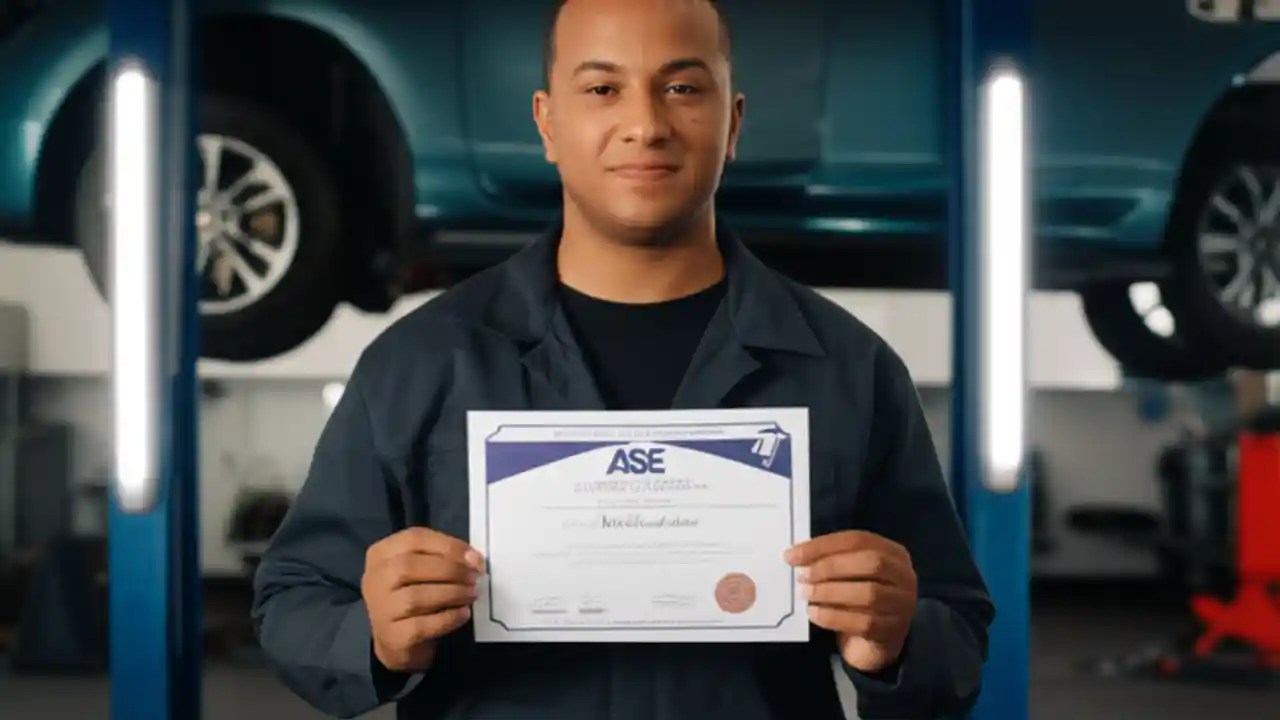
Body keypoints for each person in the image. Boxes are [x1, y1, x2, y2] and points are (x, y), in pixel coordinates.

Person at [251, 0, 995, 718]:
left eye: (682, 87)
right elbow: (294, 599)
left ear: (732, 123)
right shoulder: (422, 364)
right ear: (548, 122)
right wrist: (374, 637)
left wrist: (899, 638)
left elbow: (957, 632)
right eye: (603, 88)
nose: (644, 124)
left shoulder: (847, 368)